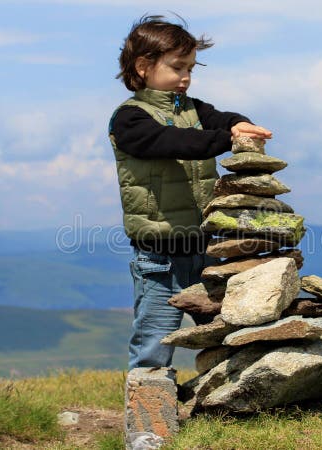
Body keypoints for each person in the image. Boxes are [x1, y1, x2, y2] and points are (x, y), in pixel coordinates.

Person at [109, 15, 272, 369]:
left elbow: (222, 117)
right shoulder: (130, 120)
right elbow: (173, 141)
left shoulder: (196, 110)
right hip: (159, 257)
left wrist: (237, 124)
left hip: (206, 248)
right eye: (177, 67)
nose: (186, 76)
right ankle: (146, 423)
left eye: (191, 69)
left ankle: (223, 407)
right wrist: (225, 138)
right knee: (154, 341)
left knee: (221, 333)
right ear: (143, 66)